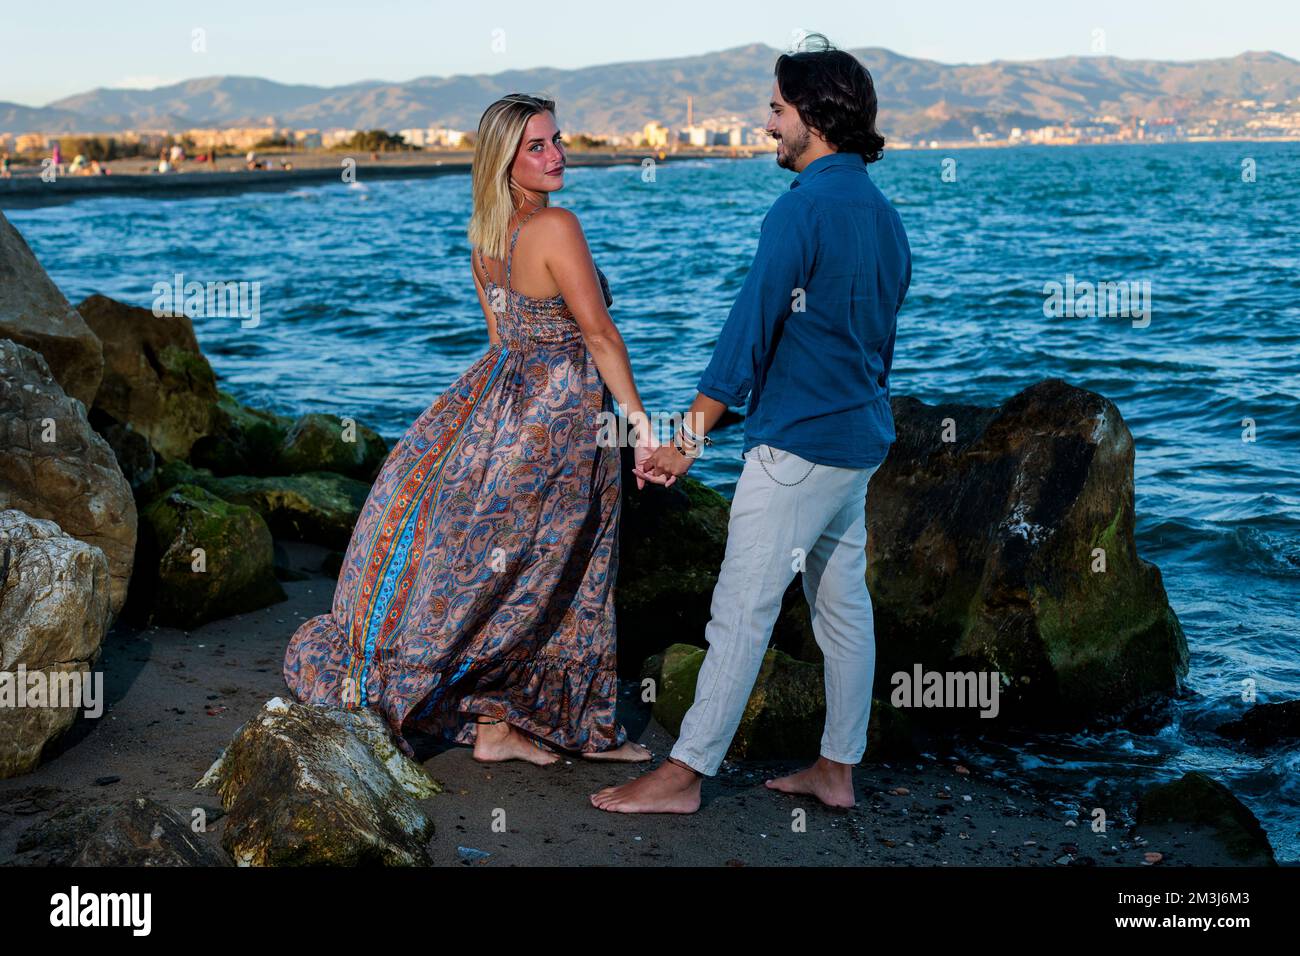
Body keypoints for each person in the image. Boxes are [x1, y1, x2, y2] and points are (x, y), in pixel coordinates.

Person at [284, 93, 666, 766]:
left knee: (506, 576)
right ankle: (575, 725)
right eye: (536, 147)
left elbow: (501, 341)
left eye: (556, 140)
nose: (556, 156)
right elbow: (599, 335)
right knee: (566, 572)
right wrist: (643, 427)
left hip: (495, 413)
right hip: (563, 421)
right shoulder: (556, 228)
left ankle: (494, 724)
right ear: (505, 160)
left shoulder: (487, 239)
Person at [591, 34, 911, 814]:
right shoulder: (884, 214)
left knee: (740, 611)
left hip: (797, 449)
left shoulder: (798, 210)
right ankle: (837, 769)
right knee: (844, 610)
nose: (768, 125)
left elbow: (747, 336)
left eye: (777, 108)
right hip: (860, 443)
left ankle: (684, 773)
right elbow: (879, 344)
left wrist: (685, 441)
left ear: (814, 114)